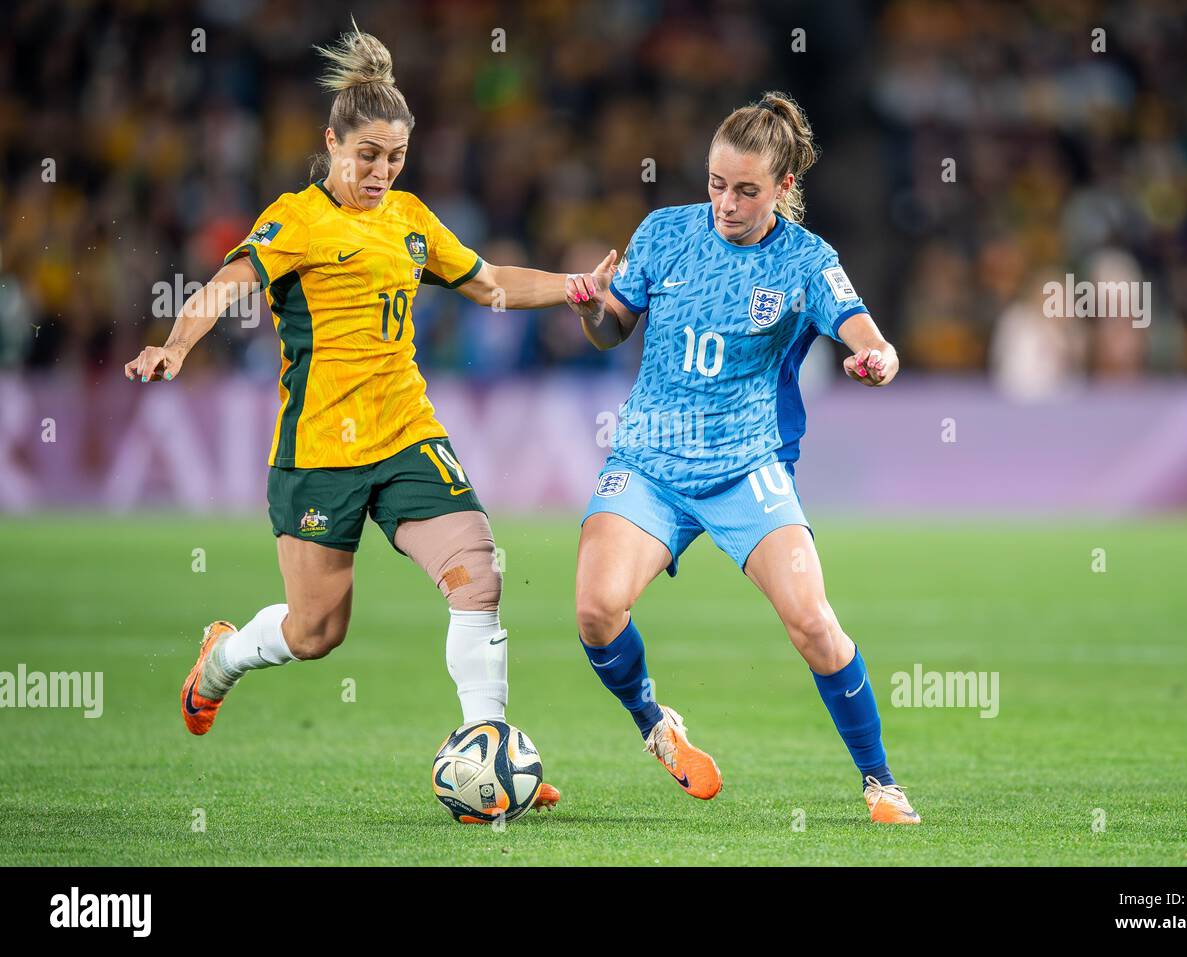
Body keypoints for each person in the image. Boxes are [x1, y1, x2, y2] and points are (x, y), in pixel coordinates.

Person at [125, 21, 609, 816]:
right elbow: (226, 282)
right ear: (331, 143)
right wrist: (175, 345)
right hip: (319, 449)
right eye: (368, 156)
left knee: (478, 572)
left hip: (407, 431)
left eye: (395, 158)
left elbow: (487, 283)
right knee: (318, 632)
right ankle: (221, 659)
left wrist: (574, 286)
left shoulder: (410, 218)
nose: (381, 172)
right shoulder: (299, 219)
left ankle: (487, 752)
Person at [567, 92, 920, 823]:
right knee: (597, 610)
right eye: (717, 184)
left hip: (745, 466)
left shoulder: (805, 259)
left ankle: (880, 781)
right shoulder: (665, 233)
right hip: (650, 458)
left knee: (813, 623)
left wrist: (875, 358)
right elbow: (613, 331)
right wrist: (590, 311)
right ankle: (655, 724)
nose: (727, 203)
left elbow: (865, 334)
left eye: (748, 190)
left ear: (784, 189)